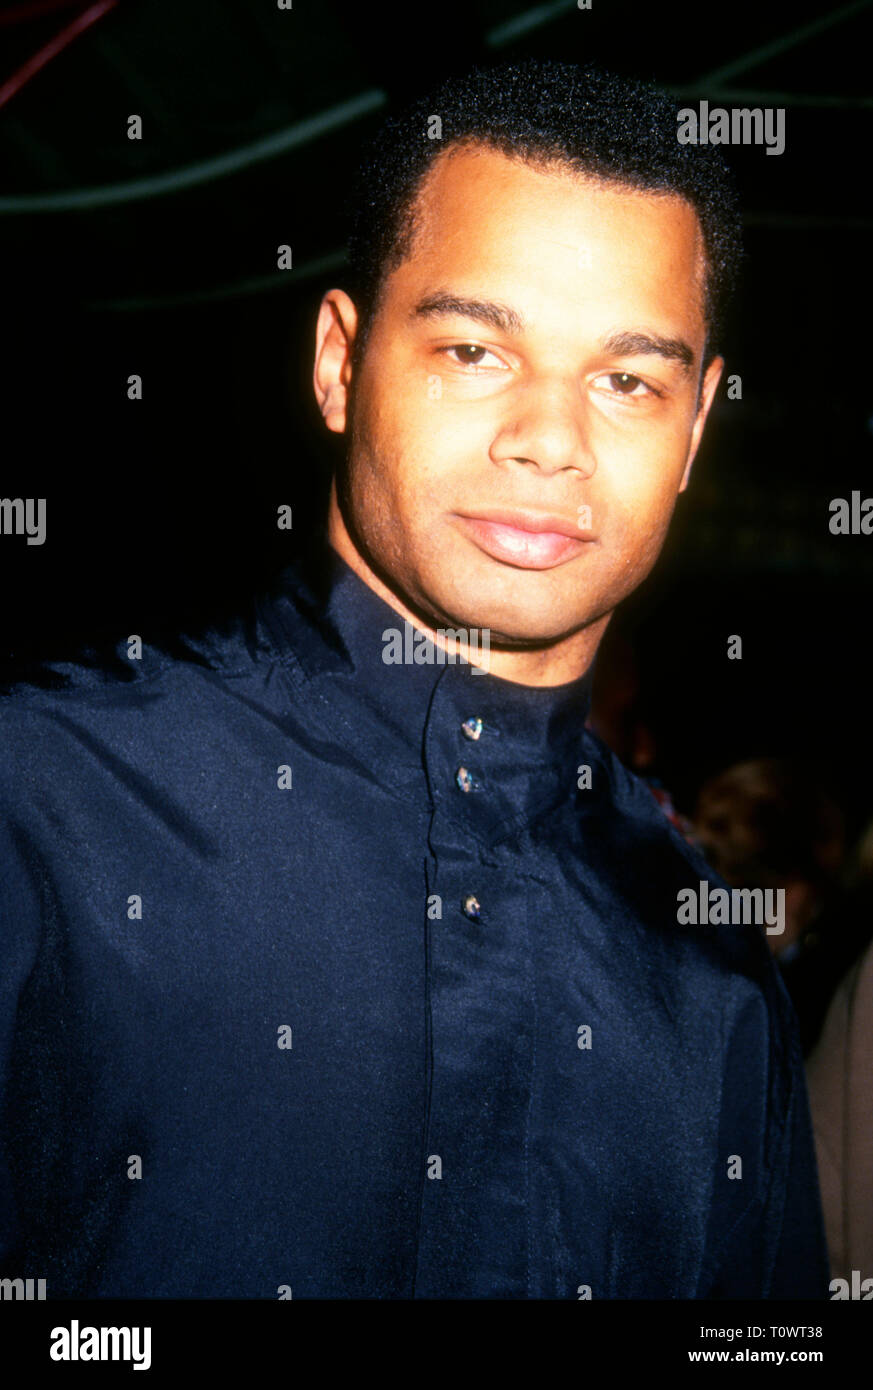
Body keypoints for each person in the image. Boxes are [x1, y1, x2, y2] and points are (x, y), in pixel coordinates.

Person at [0, 59, 828, 1298]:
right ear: (340, 363)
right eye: (474, 349)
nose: (550, 440)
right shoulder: (44, 806)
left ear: (696, 431)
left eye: (627, 381)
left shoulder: (710, 968)